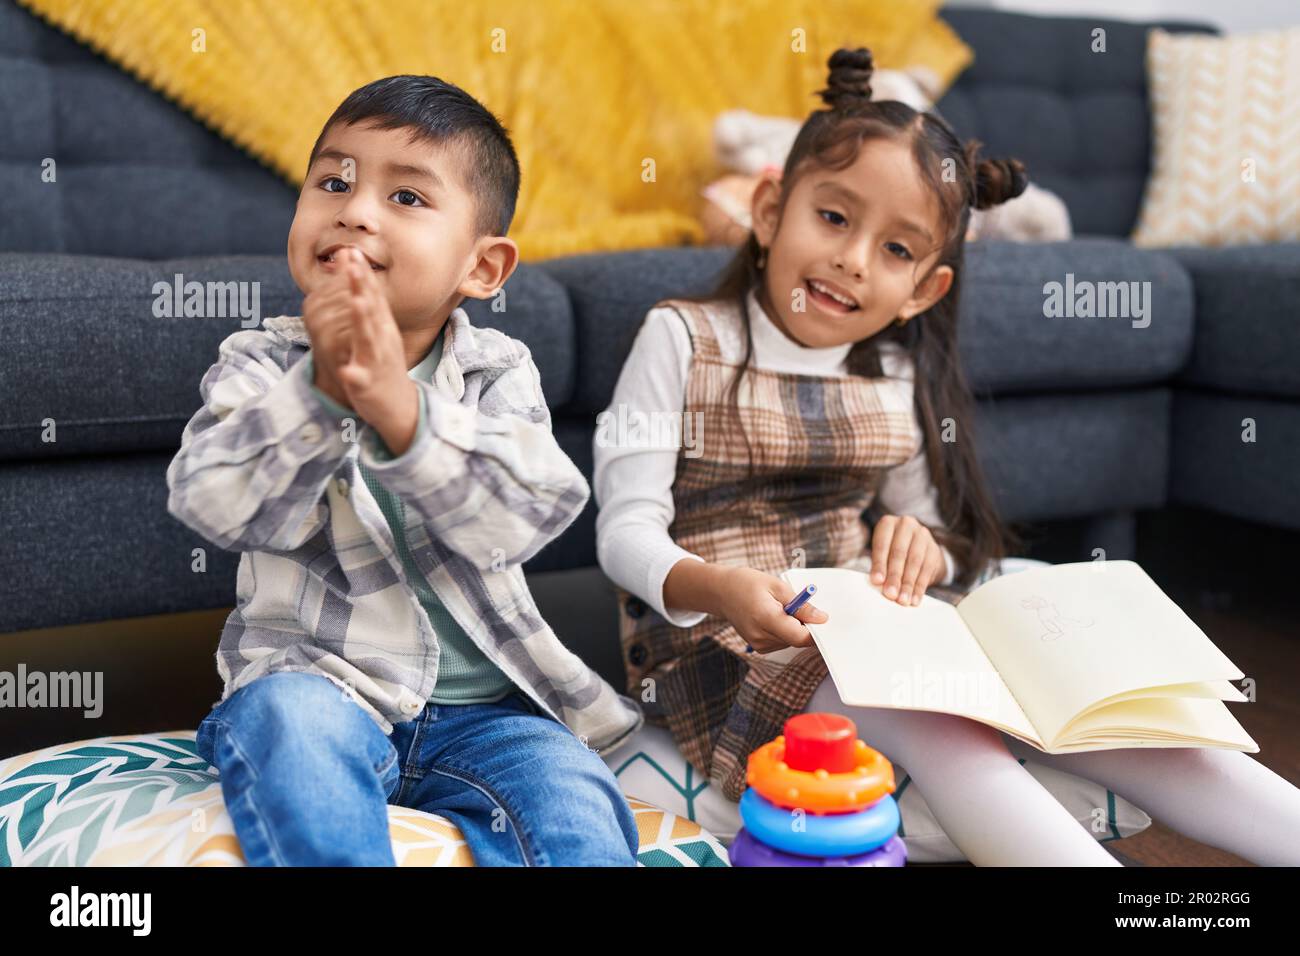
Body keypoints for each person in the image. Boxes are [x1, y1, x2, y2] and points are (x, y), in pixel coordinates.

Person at [594, 48, 1300, 866]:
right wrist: (714, 587)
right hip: (724, 643)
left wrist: (918, 544)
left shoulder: (892, 373)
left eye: (897, 251)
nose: (855, 259)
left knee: (1124, 713)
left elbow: (924, 527)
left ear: (925, 290)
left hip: (860, 624)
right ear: (768, 209)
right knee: (937, 720)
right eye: (833, 217)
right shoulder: (683, 336)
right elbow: (625, 533)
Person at [168, 75, 642, 866]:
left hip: (486, 713)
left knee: (574, 792)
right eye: (333, 181)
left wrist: (403, 413)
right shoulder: (259, 363)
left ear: (483, 269)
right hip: (319, 686)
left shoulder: (497, 372)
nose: (354, 210)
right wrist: (318, 394)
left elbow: (533, 510)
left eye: (408, 198)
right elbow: (211, 501)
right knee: (286, 730)